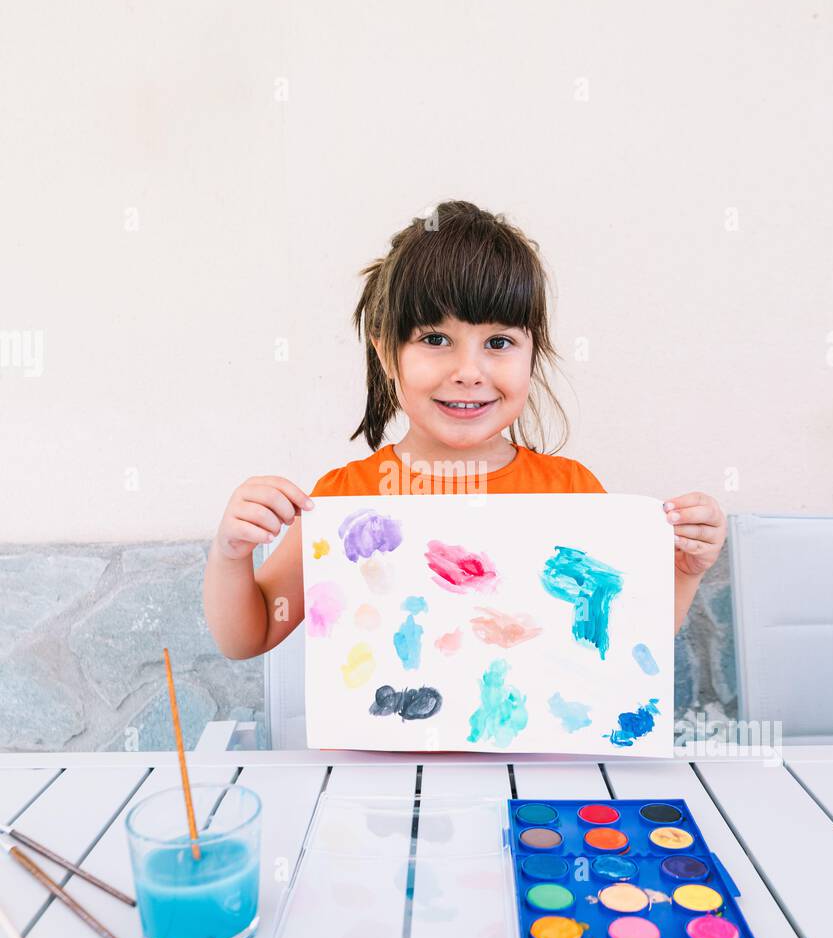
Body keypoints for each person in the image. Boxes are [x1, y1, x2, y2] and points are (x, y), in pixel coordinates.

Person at [203, 200, 726, 660]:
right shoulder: (347, 502)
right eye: (435, 339)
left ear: (531, 355)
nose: (469, 371)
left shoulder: (570, 491)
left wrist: (684, 571)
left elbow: (623, 639)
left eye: (498, 343)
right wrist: (232, 553)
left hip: (535, 771)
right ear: (387, 353)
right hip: (386, 770)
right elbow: (249, 637)